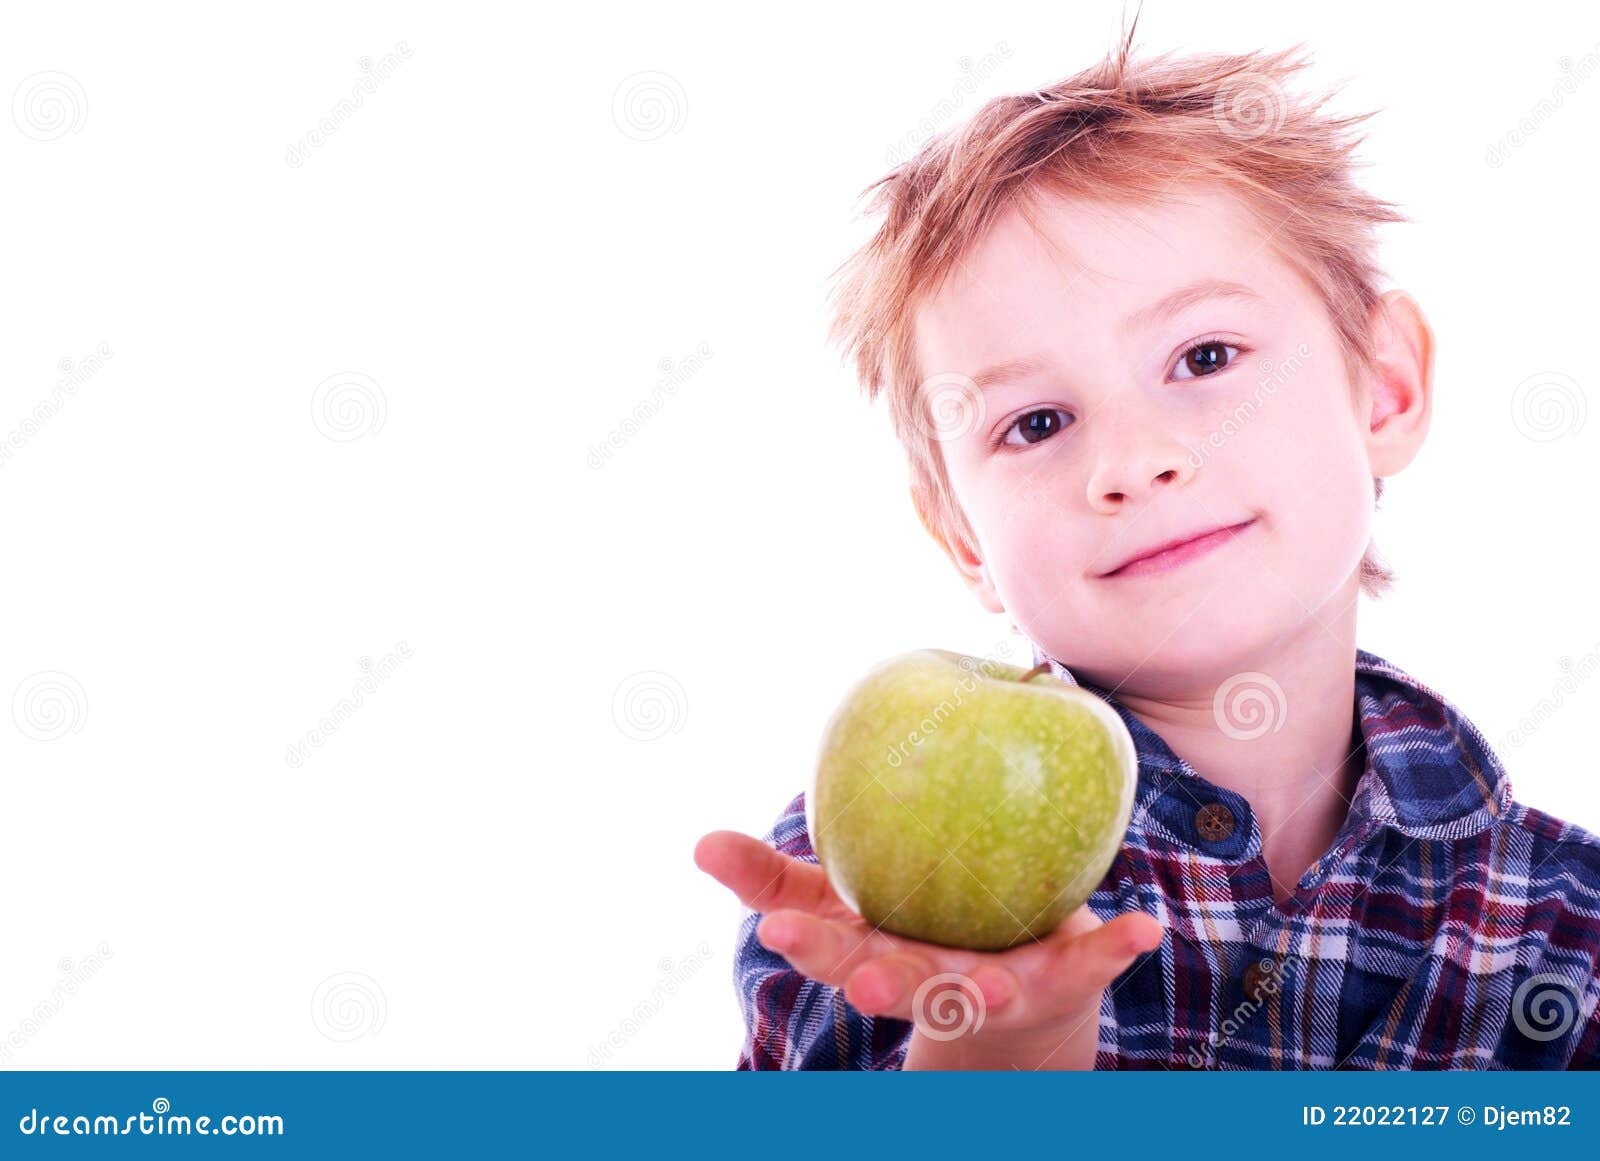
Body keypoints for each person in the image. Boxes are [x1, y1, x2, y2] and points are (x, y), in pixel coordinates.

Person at [694, 33, 1600, 1070]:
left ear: (1385, 388)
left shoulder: (1569, 922)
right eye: (1034, 424)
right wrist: (1002, 1043)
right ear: (961, 540)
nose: (1131, 462)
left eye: (1204, 357)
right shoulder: (877, 873)